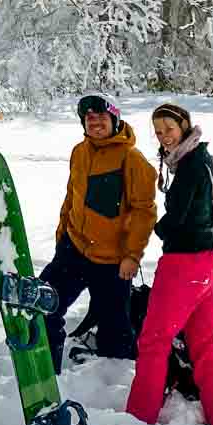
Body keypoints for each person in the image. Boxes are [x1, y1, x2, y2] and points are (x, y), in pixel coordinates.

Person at [126, 103, 213, 425]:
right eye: (159, 132)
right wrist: (203, 227)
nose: (164, 138)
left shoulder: (190, 166)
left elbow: (177, 217)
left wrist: (166, 229)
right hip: (210, 265)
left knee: (153, 343)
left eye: (169, 130)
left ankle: (137, 420)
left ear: (184, 125)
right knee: (204, 348)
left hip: (184, 267)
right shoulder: (201, 159)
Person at [40, 93, 158, 365]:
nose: (94, 123)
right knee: (45, 304)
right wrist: (62, 235)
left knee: (114, 333)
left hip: (112, 261)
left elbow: (144, 212)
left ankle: (114, 388)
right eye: (89, 118)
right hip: (74, 249)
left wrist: (132, 255)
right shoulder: (79, 152)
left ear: (114, 120)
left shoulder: (133, 160)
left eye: (101, 117)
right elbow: (71, 196)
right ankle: (47, 369)